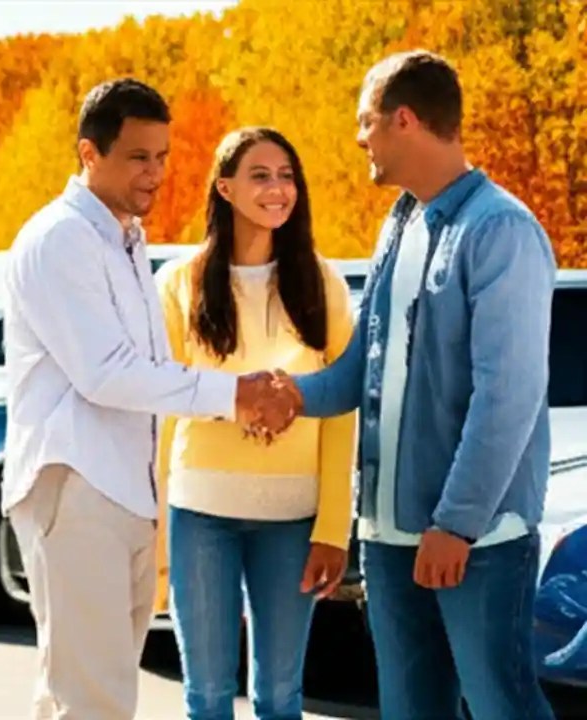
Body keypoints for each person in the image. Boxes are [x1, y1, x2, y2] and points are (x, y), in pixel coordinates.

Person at [262, 50, 558, 720]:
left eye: (366, 122)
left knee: (501, 703)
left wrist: (457, 524)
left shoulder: (501, 230)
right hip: (390, 539)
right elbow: (364, 365)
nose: (359, 138)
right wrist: (294, 396)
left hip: (477, 541)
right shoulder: (399, 223)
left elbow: (506, 397)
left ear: (404, 119)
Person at [1, 78, 293, 720]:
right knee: (93, 700)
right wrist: (238, 395)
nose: (155, 173)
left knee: (85, 695)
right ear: (88, 153)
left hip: (123, 492)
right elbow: (108, 374)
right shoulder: (62, 239)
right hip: (76, 487)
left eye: (163, 156)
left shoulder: (124, 239)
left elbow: (151, 369)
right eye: (138, 157)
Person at [154, 127, 357, 720]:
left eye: (287, 176)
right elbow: (163, 399)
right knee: (208, 698)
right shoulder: (179, 284)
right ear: (225, 188)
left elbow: (342, 407)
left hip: (293, 521)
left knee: (279, 699)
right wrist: (155, 515)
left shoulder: (322, 283)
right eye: (261, 175)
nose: (278, 189)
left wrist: (333, 528)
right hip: (201, 512)